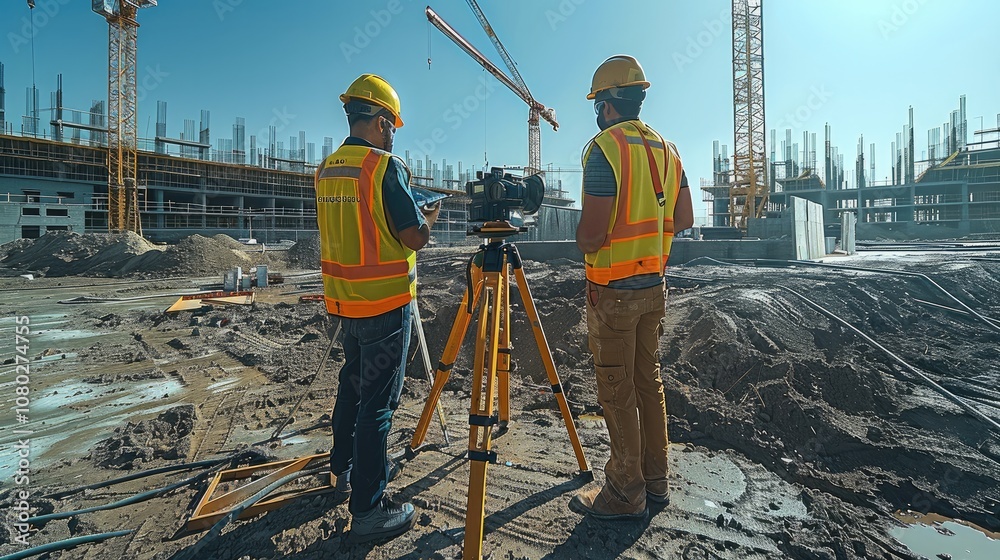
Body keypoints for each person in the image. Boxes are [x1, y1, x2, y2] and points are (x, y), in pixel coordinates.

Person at [316, 73, 440, 541]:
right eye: (393, 127)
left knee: (351, 387)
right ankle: (368, 509)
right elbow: (413, 236)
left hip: (345, 304)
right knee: (378, 406)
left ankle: (342, 470)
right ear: (383, 121)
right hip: (386, 305)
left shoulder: (327, 170)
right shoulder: (384, 167)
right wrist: (429, 216)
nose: (393, 136)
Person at [569, 55, 694, 520]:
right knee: (647, 383)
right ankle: (656, 483)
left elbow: (591, 236)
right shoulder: (668, 150)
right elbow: (684, 218)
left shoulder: (605, 149)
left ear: (605, 105)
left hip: (614, 292)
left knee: (617, 391)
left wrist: (585, 239)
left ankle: (625, 493)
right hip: (654, 287)